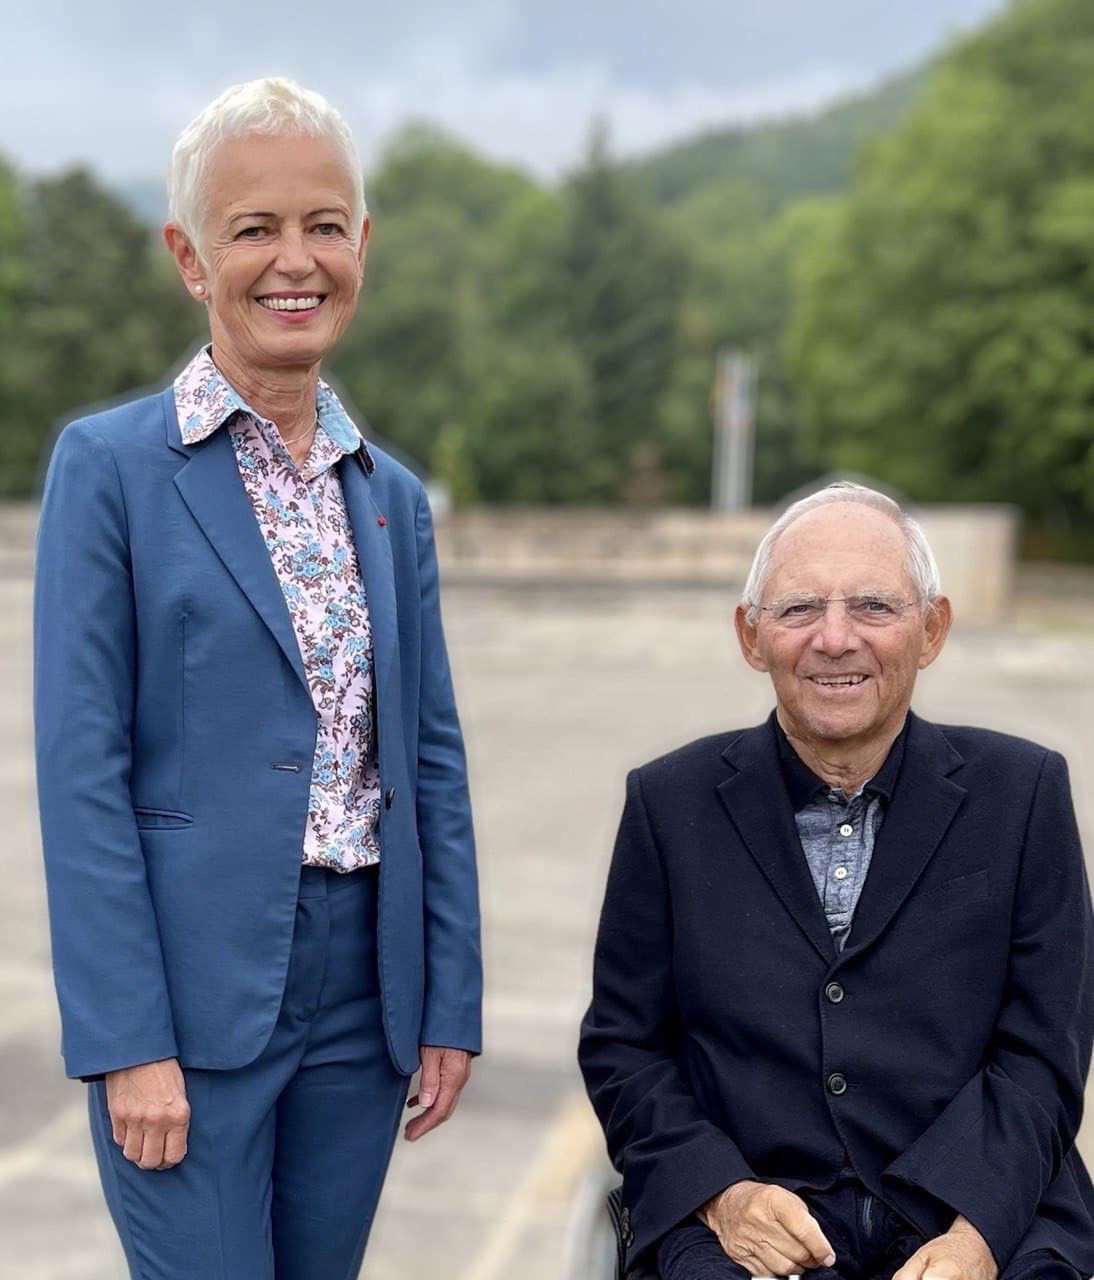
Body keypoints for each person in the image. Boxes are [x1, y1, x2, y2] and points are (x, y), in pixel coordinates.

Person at [33, 77, 481, 1279]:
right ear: (190, 255)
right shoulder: (111, 469)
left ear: (362, 245)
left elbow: (426, 754)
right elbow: (83, 775)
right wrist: (126, 1037)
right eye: (255, 229)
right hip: (191, 994)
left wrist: (448, 998)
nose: (297, 260)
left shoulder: (388, 496)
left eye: (324, 225)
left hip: (362, 994)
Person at [578, 482, 1094, 1280]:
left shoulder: (1022, 794)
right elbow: (625, 1047)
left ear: (932, 630)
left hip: (975, 1206)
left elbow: (1043, 1056)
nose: (835, 639)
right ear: (751, 637)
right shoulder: (666, 803)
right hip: (753, 1214)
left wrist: (976, 1239)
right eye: (799, 610)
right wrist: (723, 1194)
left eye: (874, 607)